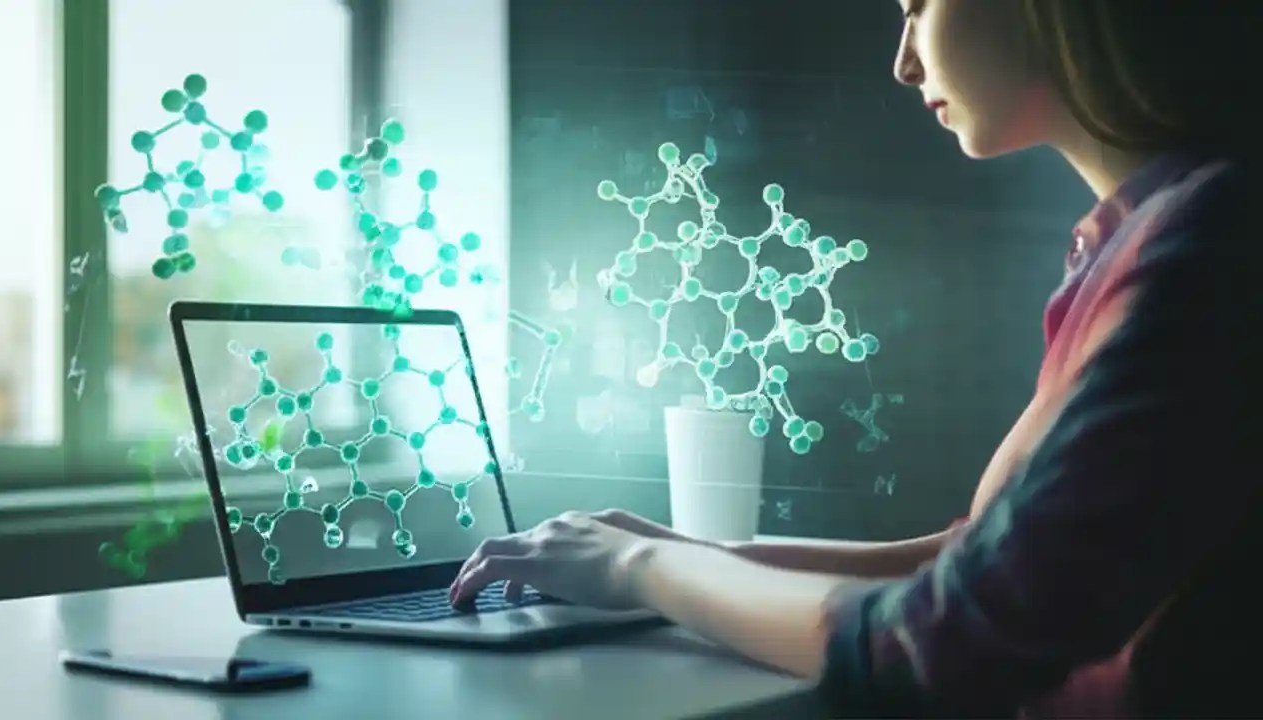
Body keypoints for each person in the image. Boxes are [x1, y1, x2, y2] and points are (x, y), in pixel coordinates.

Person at [451, 1, 1262, 715]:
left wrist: (641, 567)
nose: (904, 63)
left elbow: (948, 635)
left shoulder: (1204, 249)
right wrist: (690, 554)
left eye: (917, 7)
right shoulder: (1136, 243)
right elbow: (981, 557)